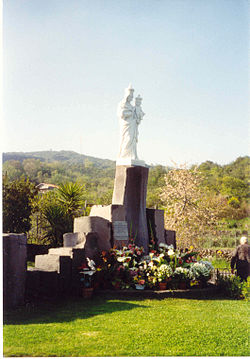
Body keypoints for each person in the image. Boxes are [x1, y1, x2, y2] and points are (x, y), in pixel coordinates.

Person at [117, 85, 139, 160]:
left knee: (132, 140)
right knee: (128, 138)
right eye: (130, 97)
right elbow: (121, 114)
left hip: (132, 125)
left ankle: (132, 155)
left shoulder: (131, 106)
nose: (131, 99)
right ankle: (124, 155)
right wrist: (130, 113)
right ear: (127, 96)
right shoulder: (122, 104)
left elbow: (136, 114)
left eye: (132, 97)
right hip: (126, 125)